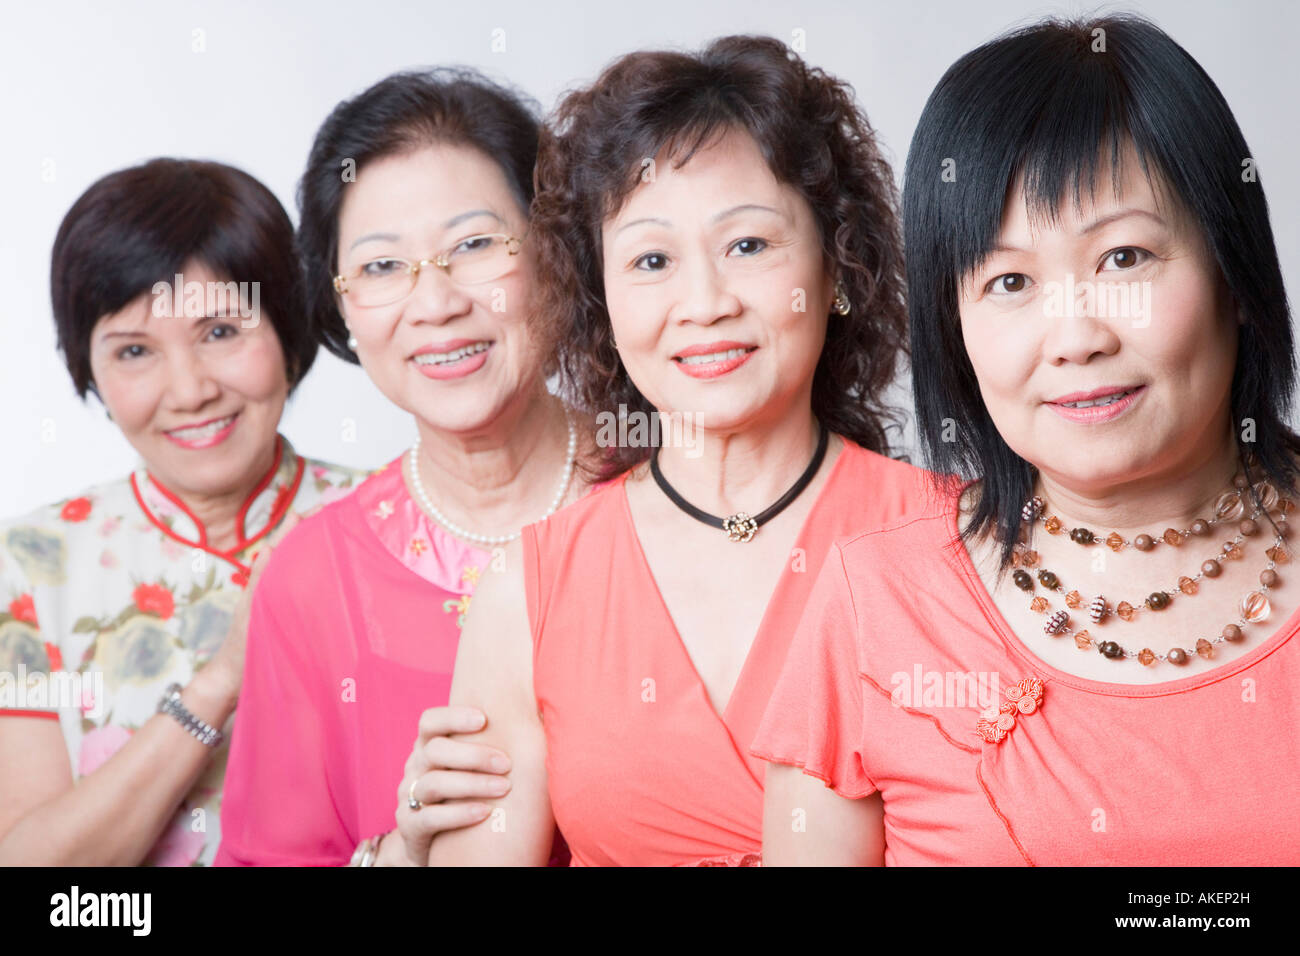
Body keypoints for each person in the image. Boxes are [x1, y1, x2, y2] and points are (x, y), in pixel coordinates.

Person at [756, 15, 1300, 865]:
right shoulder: (878, 602)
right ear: (957, 329)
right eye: (1009, 280)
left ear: (1232, 269)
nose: (1075, 335)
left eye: (1124, 258)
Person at [414, 35, 934, 867]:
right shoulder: (531, 591)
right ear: (602, 302)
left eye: (750, 246)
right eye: (651, 260)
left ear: (836, 268)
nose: (704, 303)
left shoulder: (957, 543)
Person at [216, 69, 579, 867]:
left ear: (556, 250)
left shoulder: (686, 496)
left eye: (476, 245)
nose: (436, 301)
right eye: (382, 267)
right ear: (341, 303)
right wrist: (399, 854)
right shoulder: (312, 580)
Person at [0, 159, 363, 865]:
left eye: (221, 333)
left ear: (290, 332)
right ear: (89, 370)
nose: (190, 390)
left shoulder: (397, 518)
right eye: (135, 351)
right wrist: (220, 680)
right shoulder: (32, 564)